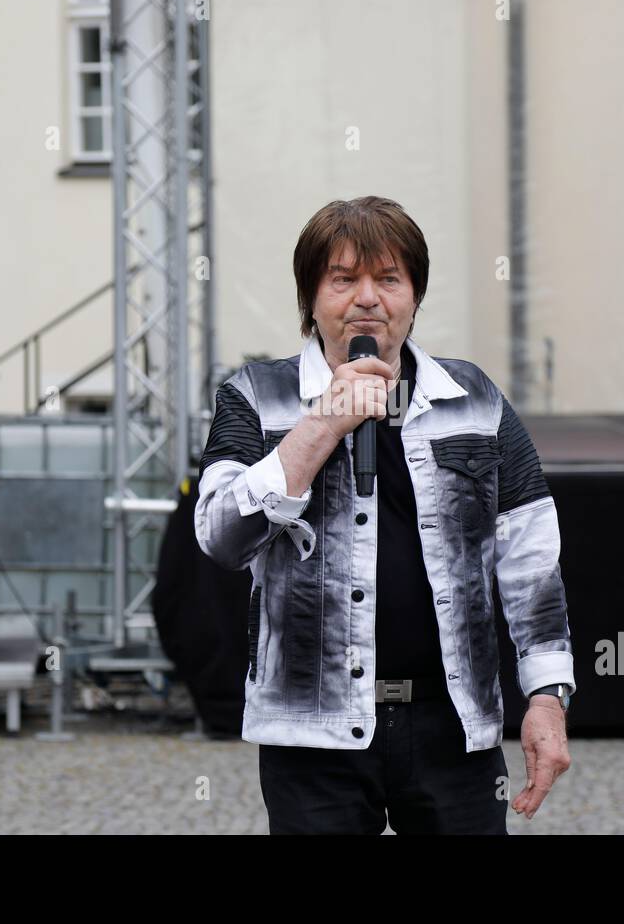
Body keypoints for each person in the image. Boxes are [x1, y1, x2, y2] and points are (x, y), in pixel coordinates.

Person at [194, 195, 574, 834]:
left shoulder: (474, 399)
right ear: (311, 298)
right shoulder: (256, 397)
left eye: (389, 279)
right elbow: (221, 538)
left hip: (453, 726)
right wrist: (323, 424)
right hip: (311, 730)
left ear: (414, 297)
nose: (367, 298)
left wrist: (545, 697)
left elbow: (531, 560)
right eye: (343, 279)